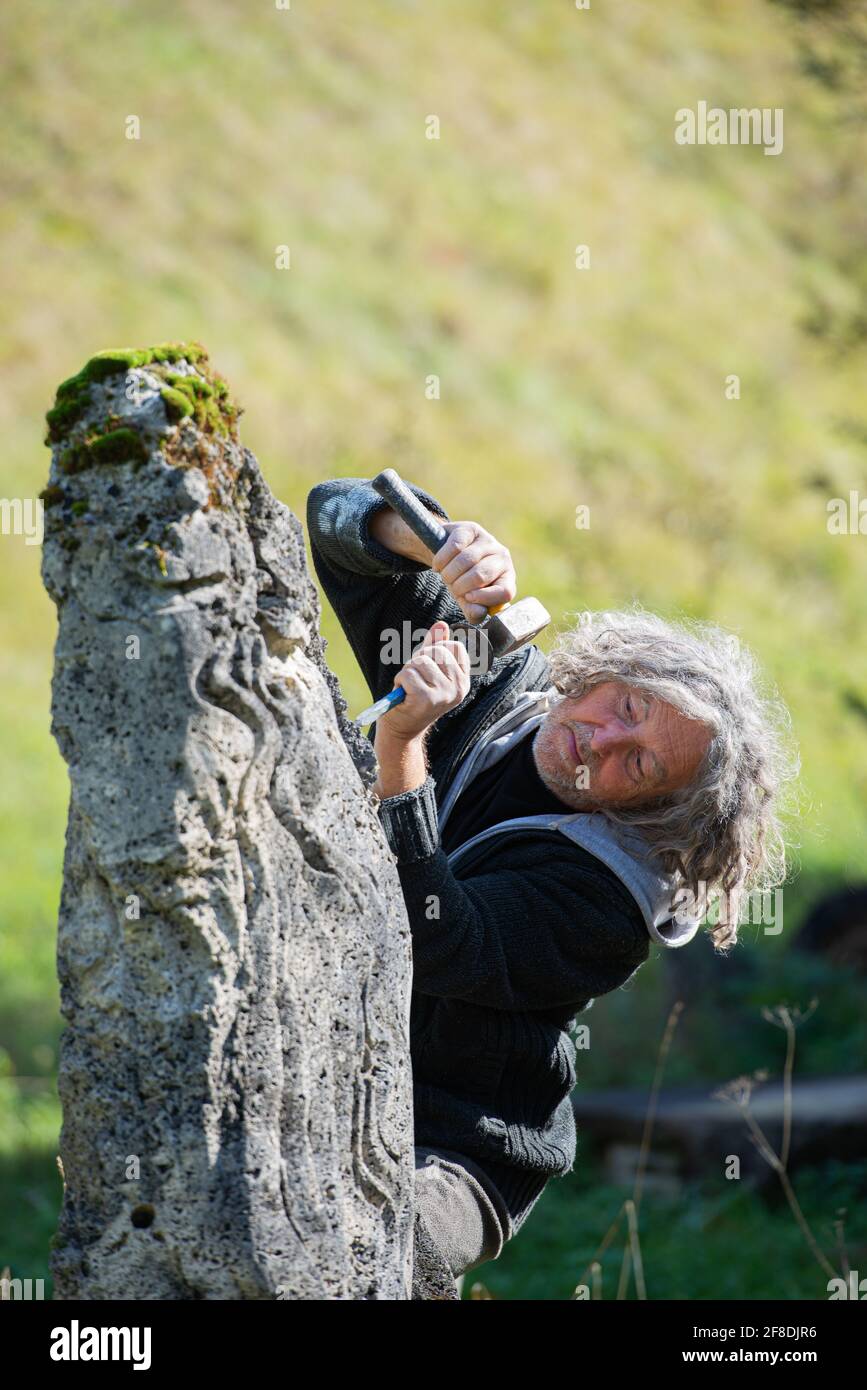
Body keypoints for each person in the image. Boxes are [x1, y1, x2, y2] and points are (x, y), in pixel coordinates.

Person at [306, 476, 796, 1299]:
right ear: (606, 668)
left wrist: (401, 750)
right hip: (325, 1067)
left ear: (658, 807)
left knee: (366, 1247)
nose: (598, 742)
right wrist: (432, 543)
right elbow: (331, 525)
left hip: (461, 1145)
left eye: (636, 763)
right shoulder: (495, 689)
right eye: (626, 705)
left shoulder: (606, 901)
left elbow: (438, 942)